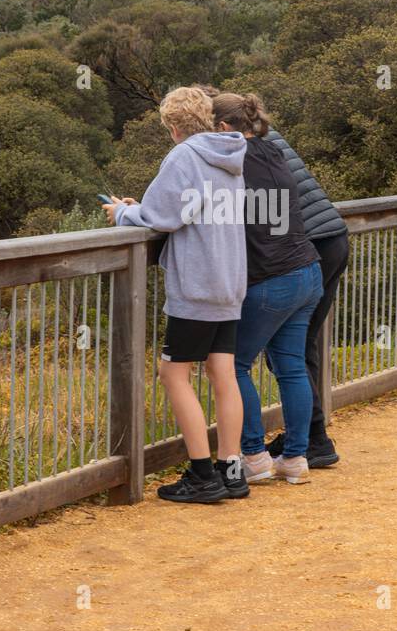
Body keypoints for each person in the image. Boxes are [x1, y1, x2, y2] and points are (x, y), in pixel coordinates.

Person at [103, 86, 249, 503]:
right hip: (229, 281)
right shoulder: (231, 153)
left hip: (198, 285)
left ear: (172, 126)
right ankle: (232, 470)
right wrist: (143, 206)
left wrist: (123, 214)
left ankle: (203, 475)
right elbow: (186, 207)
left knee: (174, 374)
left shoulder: (184, 155)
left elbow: (162, 217)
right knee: (223, 374)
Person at [210, 92, 323, 485]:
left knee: (233, 364)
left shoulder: (233, 160)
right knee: (291, 366)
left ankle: (255, 455)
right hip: (307, 271)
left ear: (223, 128)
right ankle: (295, 459)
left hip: (271, 278)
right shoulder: (274, 149)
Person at [262, 128, 348, 467]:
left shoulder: (236, 145)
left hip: (306, 247)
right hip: (333, 237)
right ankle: (310, 436)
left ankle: (311, 437)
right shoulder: (262, 133)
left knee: (286, 350)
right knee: (300, 345)